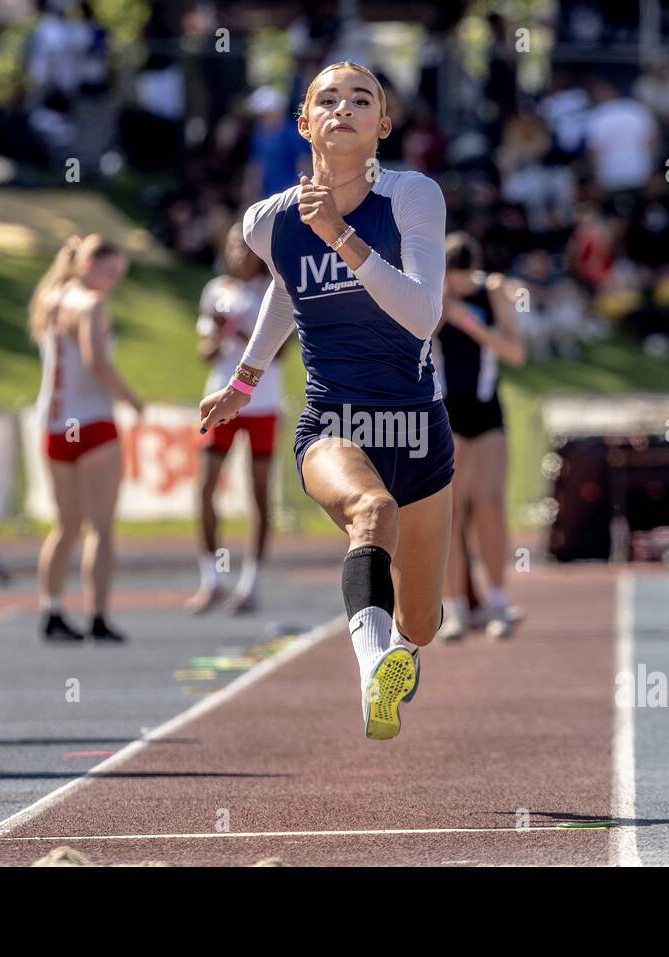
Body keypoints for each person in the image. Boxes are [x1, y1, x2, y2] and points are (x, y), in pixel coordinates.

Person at [199, 61, 452, 740]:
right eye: (328, 99)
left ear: (383, 126)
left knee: (423, 622)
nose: (345, 107)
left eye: (361, 99)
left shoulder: (412, 197)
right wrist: (244, 381)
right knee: (370, 510)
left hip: (418, 430)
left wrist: (340, 234)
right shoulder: (266, 221)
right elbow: (288, 289)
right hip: (334, 421)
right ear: (305, 122)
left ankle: (399, 649)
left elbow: (423, 314)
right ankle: (374, 667)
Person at [30, 234, 142, 643]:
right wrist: (133, 400)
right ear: (90, 264)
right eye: (110, 271)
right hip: (92, 423)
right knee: (101, 527)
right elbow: (97, 361)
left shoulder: (51, 297)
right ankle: (97, 615)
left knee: (65, 526)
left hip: (55, 425)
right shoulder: (92, 305)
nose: (113, 281)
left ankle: (52, 608)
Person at [434, 233, 526, 641]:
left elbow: (515, 353)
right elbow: (422, 333)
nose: (460, 283)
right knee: (451, 513)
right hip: (445, 411)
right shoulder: (433, 292)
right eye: (453, 276)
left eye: (465, 275)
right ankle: (454, 607)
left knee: (489, 505)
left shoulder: (492, 293)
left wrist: (469, 320)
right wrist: (443, 304)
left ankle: (498, 601)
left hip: (486, 412)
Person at [188, 223, 285, 614]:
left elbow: (277, 352)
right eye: (232, 247)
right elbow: (205, 352)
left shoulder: (272, 289)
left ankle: (251, 583)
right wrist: (217, 332)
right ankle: (212, 578)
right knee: (205, 485)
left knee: (259, 492)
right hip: (219, 399)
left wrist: (242, 332)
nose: (238, 255)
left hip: (262, 403)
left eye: (245, 249)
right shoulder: (216, 290)